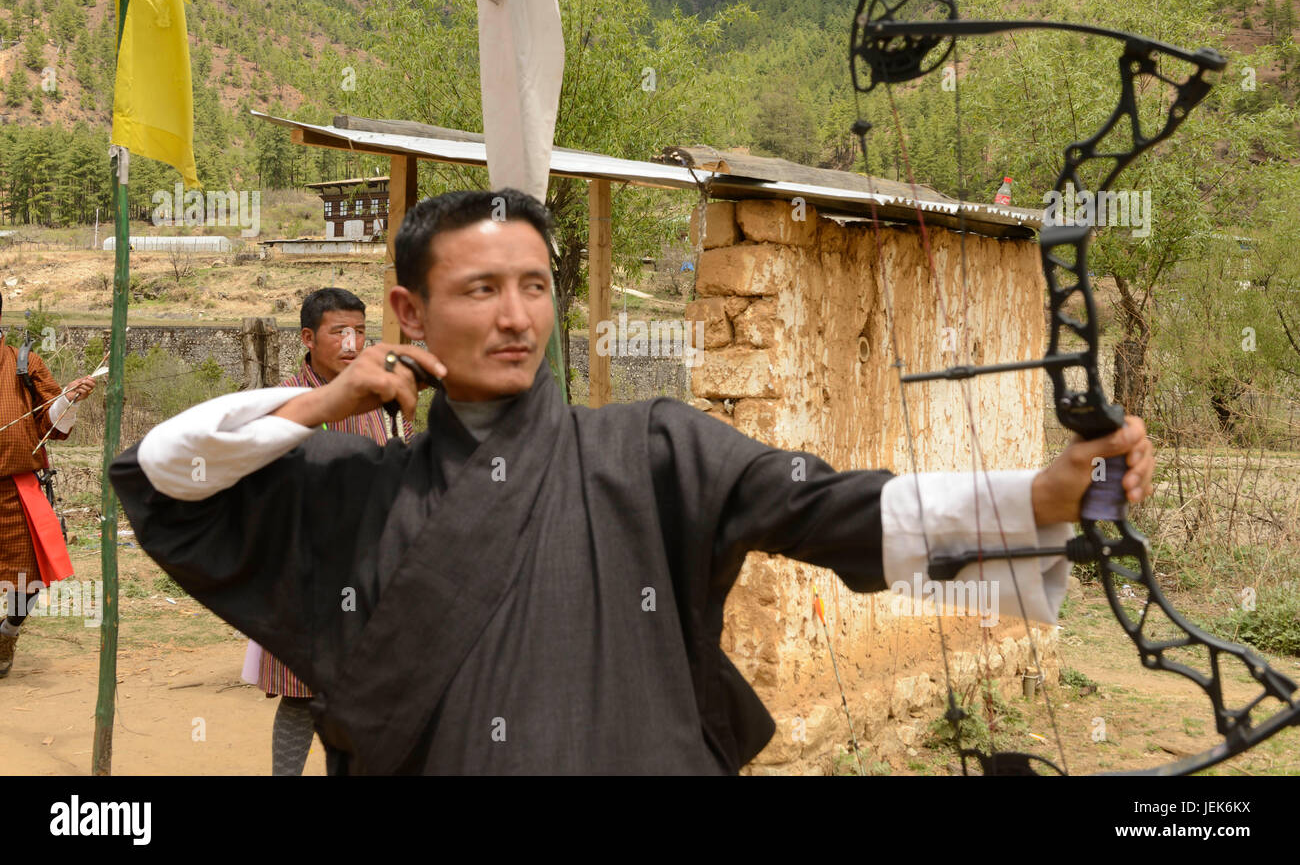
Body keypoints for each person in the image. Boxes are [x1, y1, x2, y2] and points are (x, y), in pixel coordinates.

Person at [110, 189, 1155, 774]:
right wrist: (324, 400)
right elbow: (167, 470)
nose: (517, 317)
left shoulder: (650, 450)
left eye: (534, 286)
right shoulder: (350, 482)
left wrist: (1040, 496)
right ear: (410, 312)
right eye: (480, 289)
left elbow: (830, 504)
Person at [241, 287, 413, 775]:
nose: (352, 343)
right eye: (339, 332)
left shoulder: (379, 397)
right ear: (308, 338)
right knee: (301, 697)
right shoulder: (287, 401)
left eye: (360, 332)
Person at [0, 296, 97, 678]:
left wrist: (69, 398)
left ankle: (7, 632)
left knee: (29, 576)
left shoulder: (25, 364)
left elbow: (54, 422)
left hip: (17, 486)